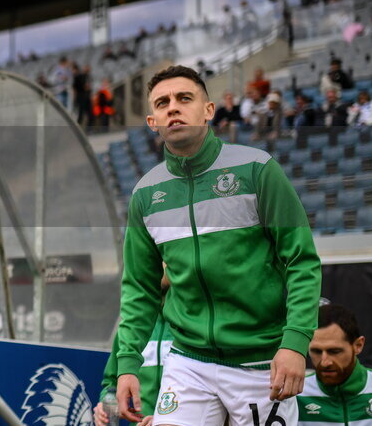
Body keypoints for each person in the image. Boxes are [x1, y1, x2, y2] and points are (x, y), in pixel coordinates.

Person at [115, 65, 321, 425]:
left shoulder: (258, 169)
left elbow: (302, 261)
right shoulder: (145, 195)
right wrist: (127, 363)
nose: (173, 108)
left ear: (208, 110)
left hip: (261, 360)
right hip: (188, 362)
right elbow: (139, 288)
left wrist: (295, 342)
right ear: (152, 121)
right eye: (162, 103)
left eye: (184, 98)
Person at [298, 304, 372, 425]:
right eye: (316, 351)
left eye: (334, 351)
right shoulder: (295, 397)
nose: (325, 362)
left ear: (358, 345)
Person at [95, 272, 173, 426]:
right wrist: (104, 408)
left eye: (162, 255)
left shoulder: (193, 327)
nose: (156, 264)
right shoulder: (130, 328)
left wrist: (165, 421)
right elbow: (111, 383)